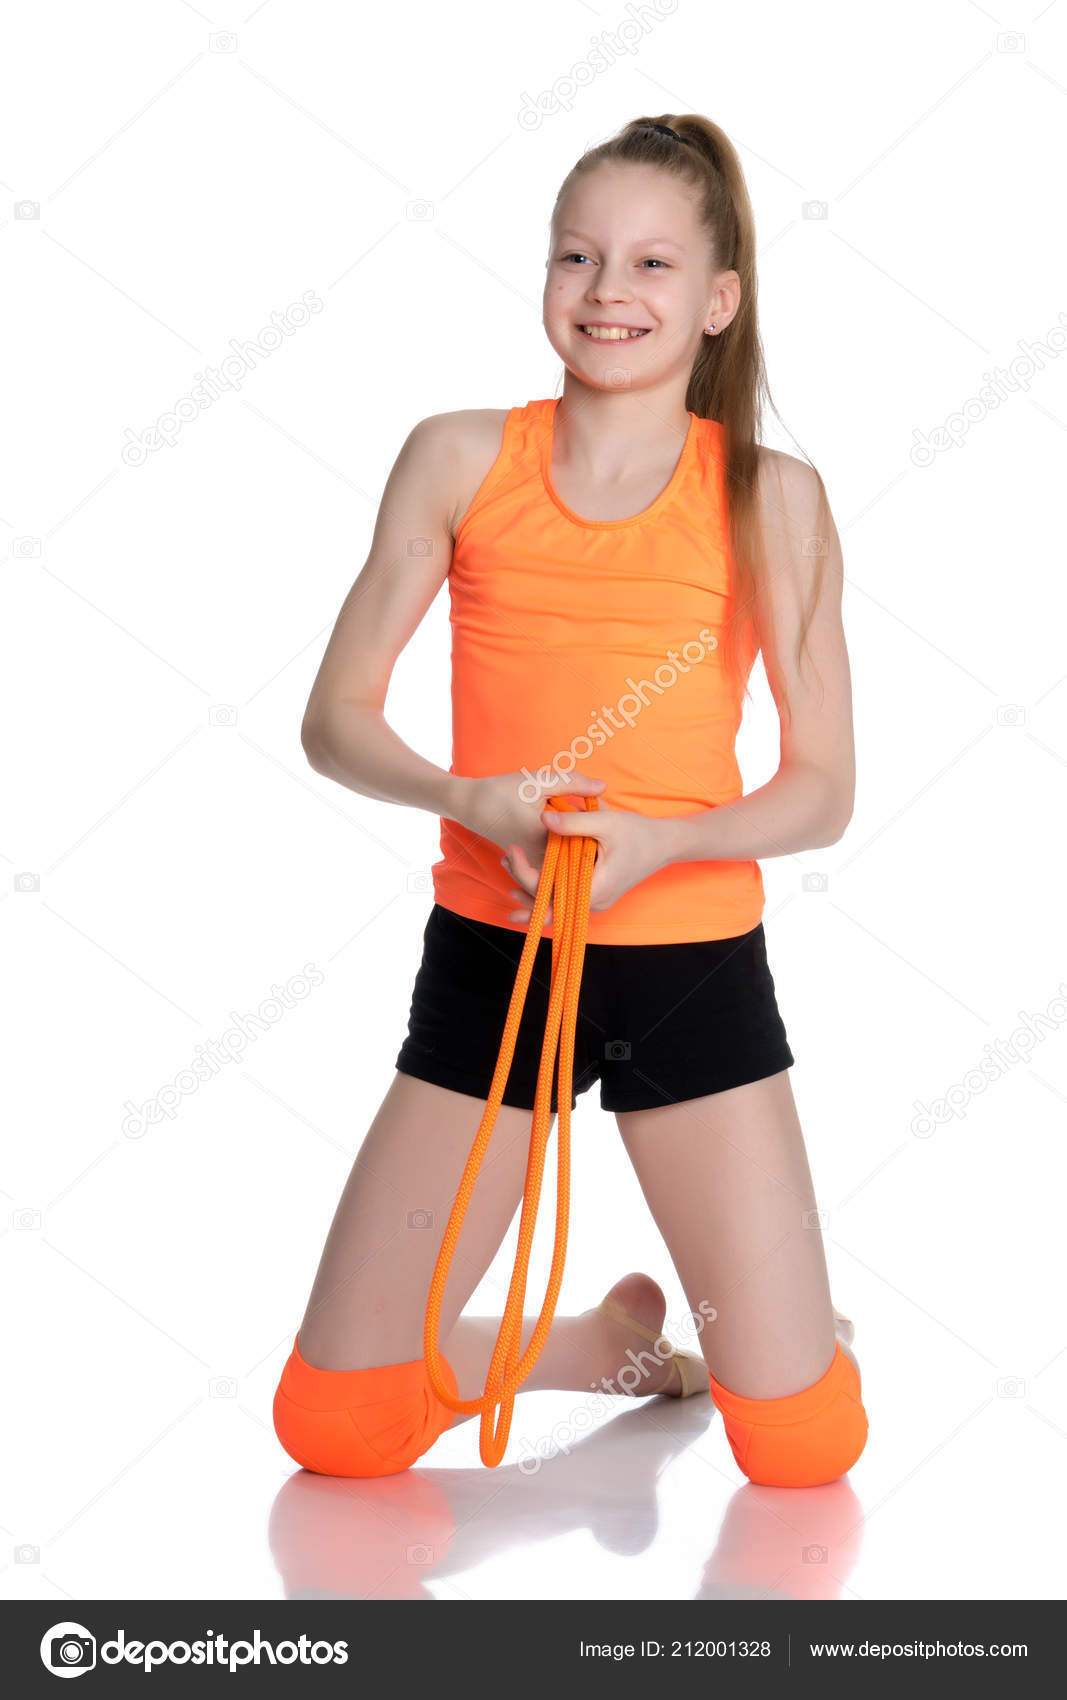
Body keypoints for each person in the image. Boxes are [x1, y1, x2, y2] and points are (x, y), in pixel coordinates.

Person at [272, 114, 868, 1489]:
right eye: (578, 256)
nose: (610, 291)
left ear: (718, 302)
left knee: (802, 1453)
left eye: (654, 263)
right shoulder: (456, 456)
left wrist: (671, 840)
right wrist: (465, 795)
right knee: (337, 1430)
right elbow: (334, 719)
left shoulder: (772, 500)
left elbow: (824, 787)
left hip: (690, 973)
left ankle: (782, 1342)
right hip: (496, 959)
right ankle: (598, 1345)